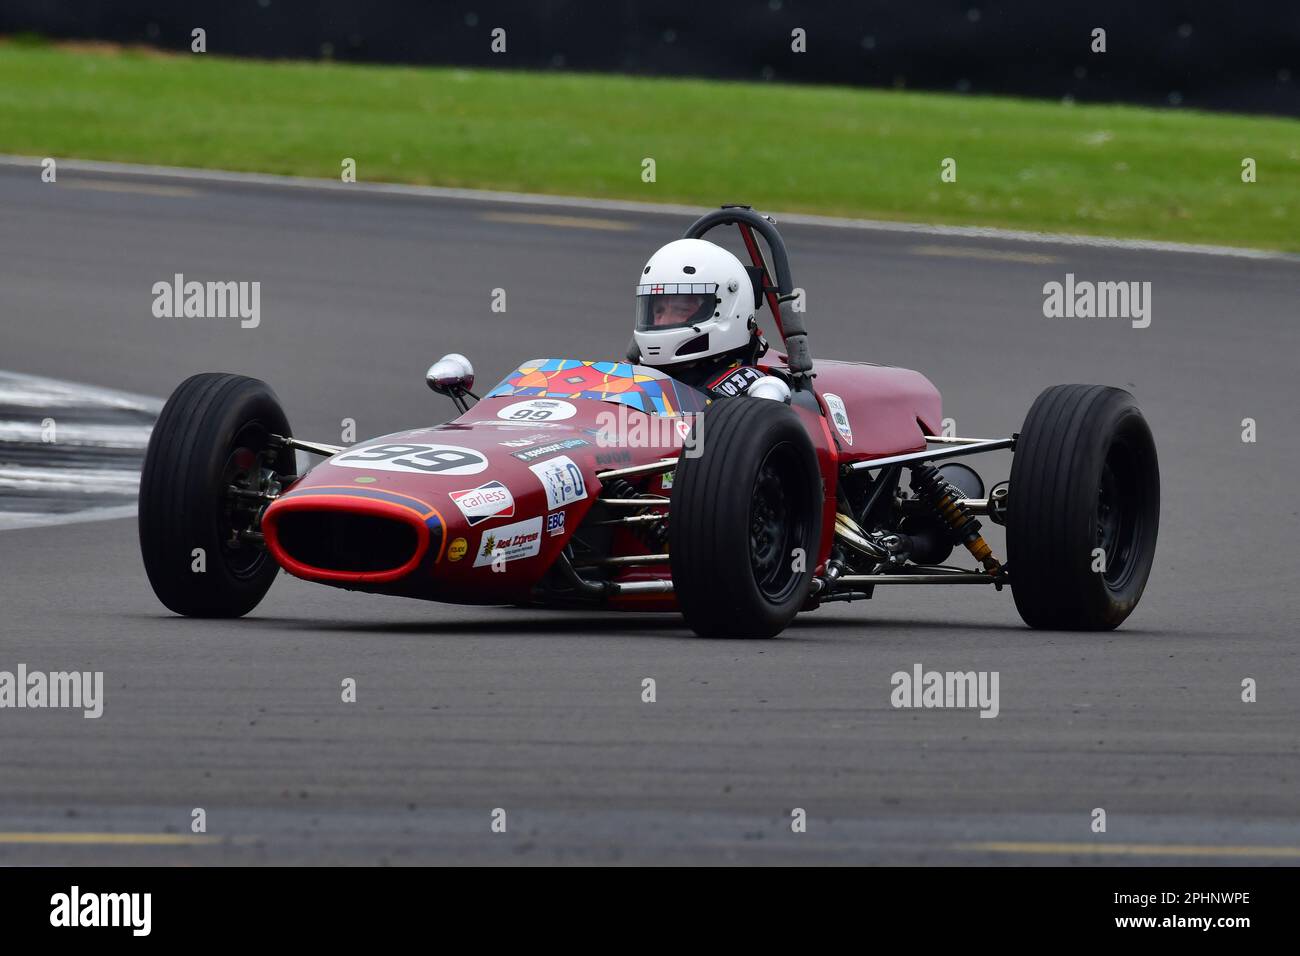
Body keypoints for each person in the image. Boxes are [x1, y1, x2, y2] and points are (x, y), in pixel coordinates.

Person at [627, 238, 772, 397]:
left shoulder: (755, 391)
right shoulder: (630, 375)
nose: (661, 321)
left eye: (680, 309)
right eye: (657, 311)